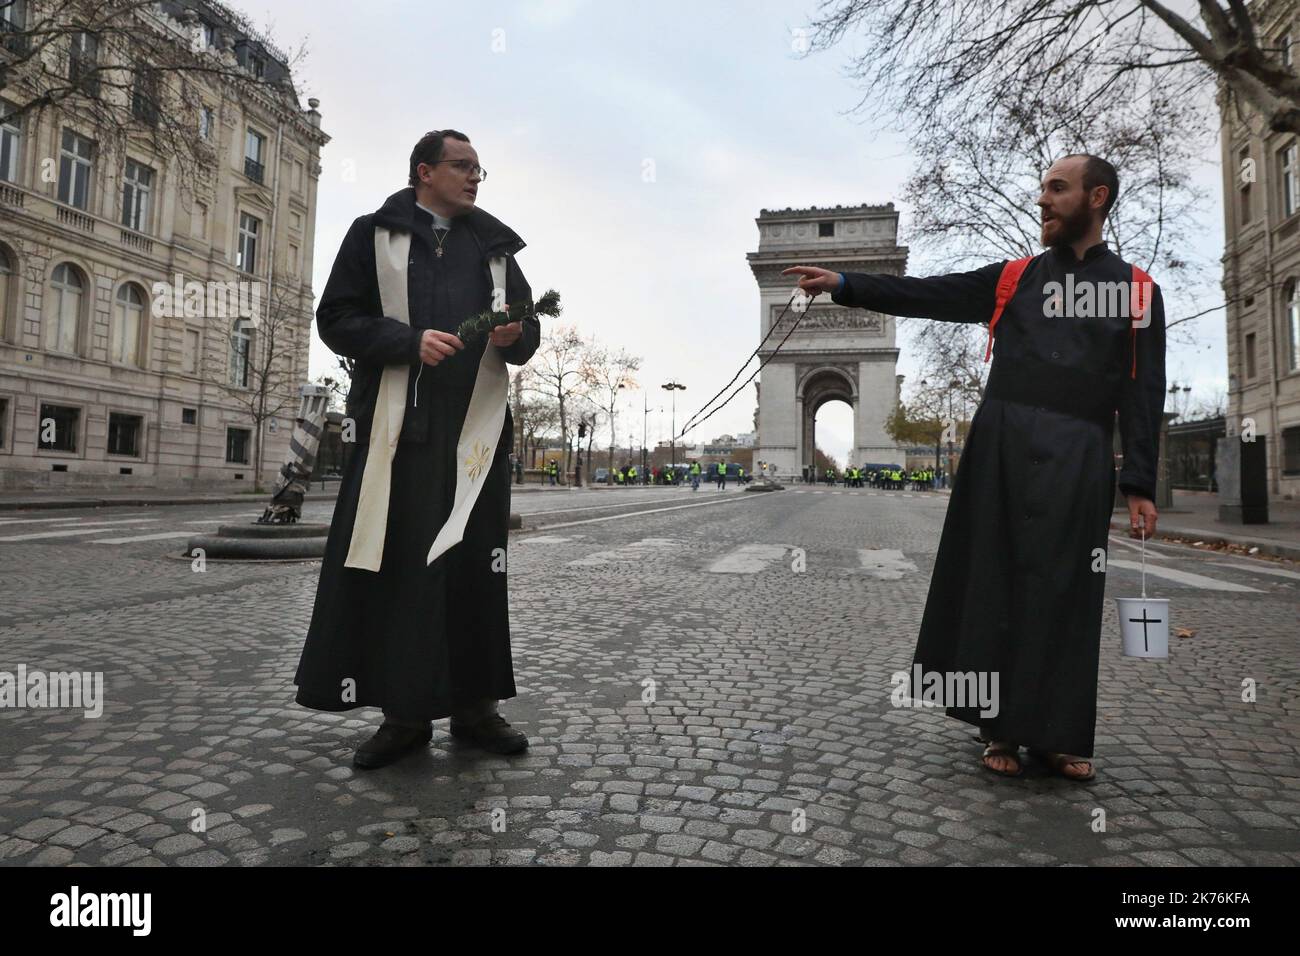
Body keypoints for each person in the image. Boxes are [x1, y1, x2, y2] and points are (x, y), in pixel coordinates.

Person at [785, 154, 1165, 781]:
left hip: (1080, 456)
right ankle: (1001, 729)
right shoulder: (1012, 279)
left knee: (1067, 591)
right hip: (1003, 450)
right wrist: (846, 283)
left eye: (1057, 188)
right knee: (998, 585)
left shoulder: (1139, 291)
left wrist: (1140, 484)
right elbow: (927, 293)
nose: (1042, 199)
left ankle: (1060, 734)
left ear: (1098, 197)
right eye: (1042, 187)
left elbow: (1145, 389)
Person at [295, 129, 539, 767]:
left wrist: (517, 334)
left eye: (479, 168)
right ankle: (403, 716)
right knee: (403, 570)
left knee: (475, 569)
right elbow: (336, 319)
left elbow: (528, 326)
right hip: (396, 434)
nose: (474, 177)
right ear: (424, 172)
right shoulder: (373, 233)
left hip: (476, 435)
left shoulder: (494, 244)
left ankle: (476, 710)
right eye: (461, 166)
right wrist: (407, 341)